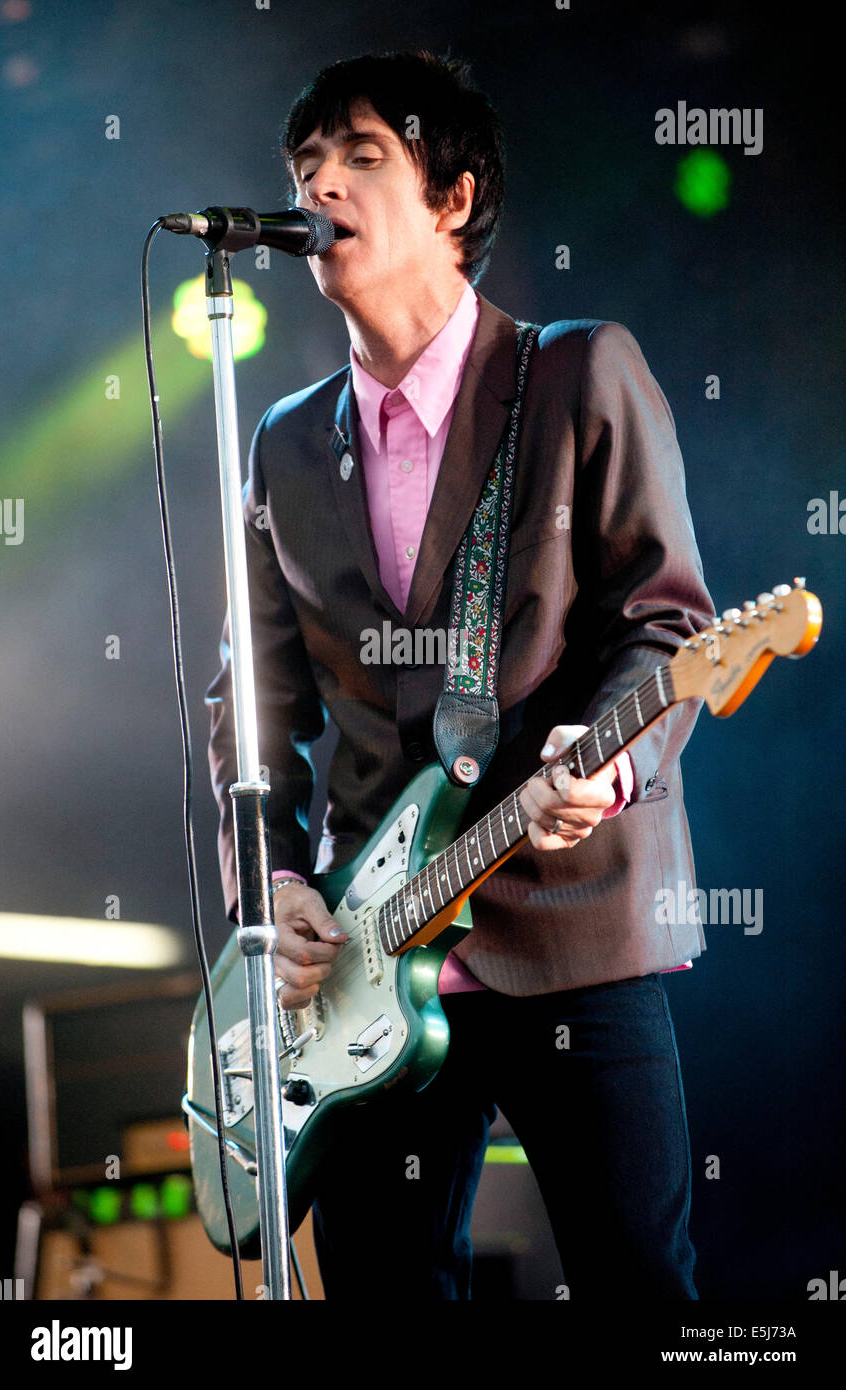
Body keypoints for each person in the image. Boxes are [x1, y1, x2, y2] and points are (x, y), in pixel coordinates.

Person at [206, 50, 715, 1300]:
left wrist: (608, 757)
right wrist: (276, 887)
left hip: (574, 922)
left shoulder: (578, 371)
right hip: (371, 962)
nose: (318, 182)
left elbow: (664, 622)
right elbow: (250, 717)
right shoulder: (279, 443)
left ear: (453, 199)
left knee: (640, 1283)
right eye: (304, 166)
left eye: (360, 157)